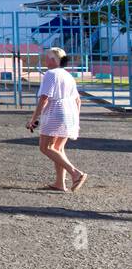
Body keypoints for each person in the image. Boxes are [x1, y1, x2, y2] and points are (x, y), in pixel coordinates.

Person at [27, 47, 88, 192]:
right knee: (58, 149)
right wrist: (76, 121)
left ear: (53, 60)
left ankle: (76, 173)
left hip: (56, 112)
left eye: (47, 57)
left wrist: (34, 118)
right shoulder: (68, 75)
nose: (45, 60)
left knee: (46, 147)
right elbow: (78, 100)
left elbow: (44, 98)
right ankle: (60, 183)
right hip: (70, 112)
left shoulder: (50, 74)